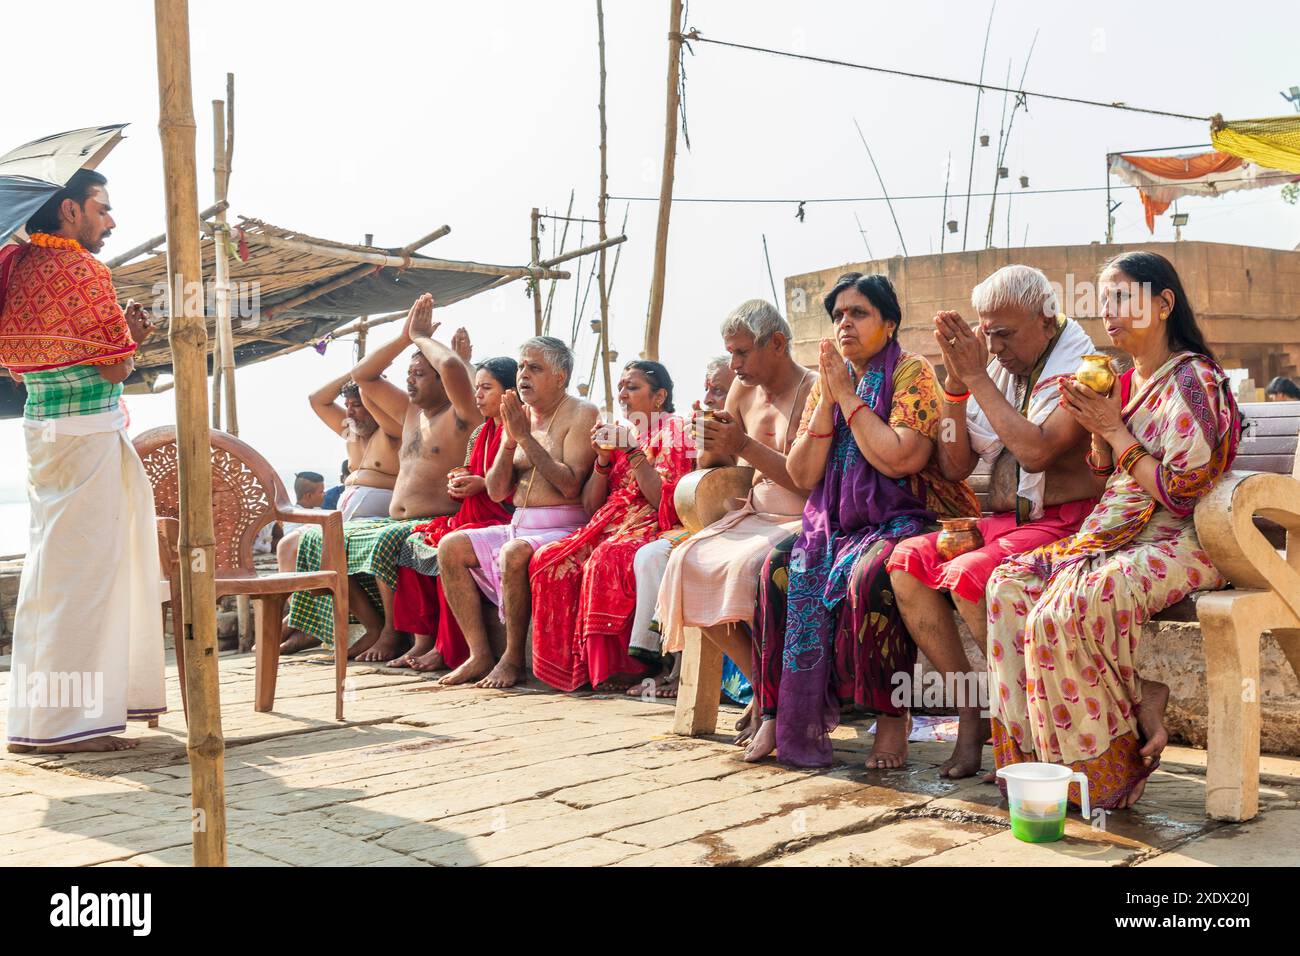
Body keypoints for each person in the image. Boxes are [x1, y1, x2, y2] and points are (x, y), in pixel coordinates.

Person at [987, 251, 1241, 809]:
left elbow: (1182, 490)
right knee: (1008, 587)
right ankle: (1045, 766)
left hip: (1184, 540)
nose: (1109, 313)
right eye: (1104, 303)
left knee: (1065, 607)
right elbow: (1112, 476)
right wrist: (1101, 430)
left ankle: (1105, 770)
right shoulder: (1125, 378)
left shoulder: (1195, 380)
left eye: (1122, 299)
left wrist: (1113, 431)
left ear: (1164, 303)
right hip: (1117, 536)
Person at [745, 273, 980, 767]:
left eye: (859, 313)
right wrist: (830, 400)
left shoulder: (912, 372)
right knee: (779, 568)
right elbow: (803, 473)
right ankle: (778, 712)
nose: (845, 323)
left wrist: (848, 399)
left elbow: (900, 459)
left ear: (889, 324)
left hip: (913, 516)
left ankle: (892, 719)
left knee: (871, 576)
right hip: (840, 524)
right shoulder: (829, 383)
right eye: (838, 316)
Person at [885, 264, 1103, 777]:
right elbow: (956, 464)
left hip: (1065, 524)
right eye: (988, 333)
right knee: (907, 561)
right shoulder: (995, 368)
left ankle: (1022, 718)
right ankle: (972, 711)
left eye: (1005, 333)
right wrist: (957, 390)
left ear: (1048, 321)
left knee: (967, 575)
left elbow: (1036, 452)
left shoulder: (1088, 368)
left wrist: (979, 376)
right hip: (1001, 523)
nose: (994, 346)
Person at [1, 169, 165, 753]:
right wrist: (131, 338)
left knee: (52, 575)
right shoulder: (86, 272)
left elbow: (21, 367)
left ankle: (45, 719)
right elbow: (116, 369)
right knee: (88, 579)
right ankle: (69, 726)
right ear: (69, 210)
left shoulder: (13, 268)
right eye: (103, 208)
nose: (111, 220)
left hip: (43, 434)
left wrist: (120, 339)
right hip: (90, 436)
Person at [283, 294, 479, 660]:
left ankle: (392, 631)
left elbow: (452, 366)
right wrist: (406, 336)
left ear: (443, 384)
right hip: (393, 520)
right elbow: (362, 376)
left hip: (435, 519)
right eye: (408, 375)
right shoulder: (411, 414)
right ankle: (373, 625)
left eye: (419, 375)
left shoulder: (460, 415)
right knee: (320, 541)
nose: (410, 383)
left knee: (388, 540)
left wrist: (423, 338)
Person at [654, 300, 816, 737]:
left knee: (748, 568)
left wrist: (740, 443)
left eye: (742, 353)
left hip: (804, 517)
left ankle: (773, 697)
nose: (734, 364)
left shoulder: (813, 390)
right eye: (730, 353)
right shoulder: (743, 390)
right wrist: (709, 438)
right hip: (754, 512)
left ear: (777, 344)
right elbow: (719, 460)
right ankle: (768, 689)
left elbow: (808, 480)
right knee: (685, 562)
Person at [437, 336, 599, 688]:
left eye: (535, 368)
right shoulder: (521, 415)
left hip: (565, 527)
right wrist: (510, 441)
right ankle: (479, 654)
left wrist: (525, 438)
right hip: (518, 524)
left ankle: (512, 659)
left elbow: (571, 485)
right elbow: (496, 491)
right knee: (451, 546)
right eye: (522, 366)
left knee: (513, 552)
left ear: (561, 376)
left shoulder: (581, 413)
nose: (523, 374)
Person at [530, 361, 692, 691]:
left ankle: (625, 668)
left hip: (653, 524)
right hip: (610, 523)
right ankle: (574, 670)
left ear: (659, 396)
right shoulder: (623, 433)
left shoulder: (675, 429)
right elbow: (592, 506)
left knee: (607, 557)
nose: (622, 395)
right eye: (620, 387)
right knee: (550, 559)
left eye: (632, 387)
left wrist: (632, 452)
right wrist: (603, 460)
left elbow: (665, 501)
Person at [388, 353, 517, 671]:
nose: (479, 396)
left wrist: (481, 484)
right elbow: (473, 472)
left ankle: (450, 649)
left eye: (487, 388)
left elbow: (520, 485)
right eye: (477, 388)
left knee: (450, 549)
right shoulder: (480, 433)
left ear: (510, 392)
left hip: (500, 518)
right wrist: (460, 483)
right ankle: (423, 642)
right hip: (469, 515)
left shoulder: (519, 429)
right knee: (412, 544)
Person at [626, 355, 739, 700]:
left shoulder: (759, 413)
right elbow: (708, 478)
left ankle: (681, 671)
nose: (708, 399)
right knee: (652, 555)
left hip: (747, 524)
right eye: (707, 389)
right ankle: (666, 666)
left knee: (665, 554)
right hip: (711, 522)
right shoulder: (700, 426)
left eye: (718, 391)